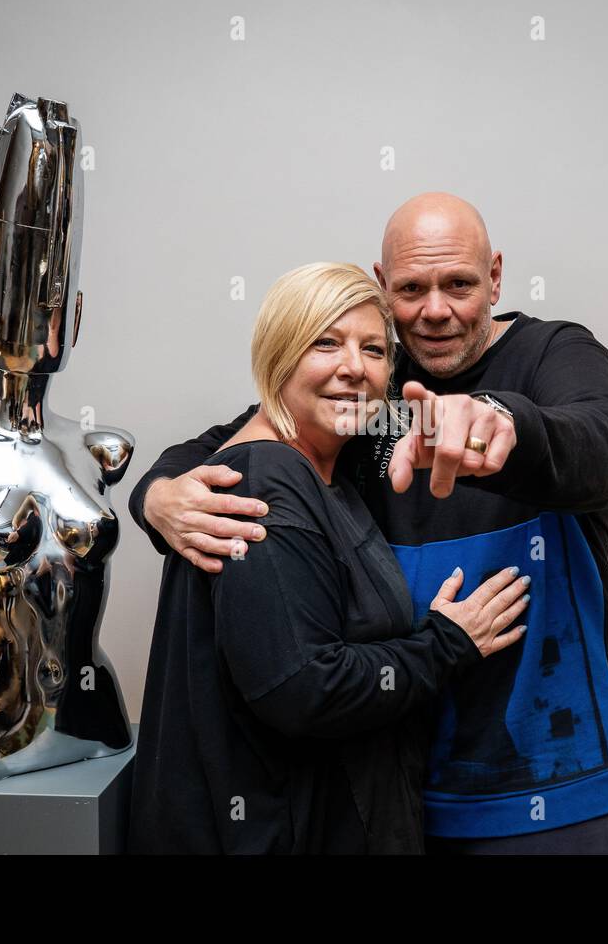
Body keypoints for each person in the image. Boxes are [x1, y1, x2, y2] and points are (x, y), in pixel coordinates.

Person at [132, 194, 608, 854]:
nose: (435, 310)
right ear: (383, 288)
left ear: (495, 276)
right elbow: (244, 441)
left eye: (459, 284)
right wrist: (156, 497)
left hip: (565, 802)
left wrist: (506, 424)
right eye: (411, 289)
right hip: (405, 806)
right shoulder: (368, 379)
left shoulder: (553, 353)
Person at [126, 261, 528, 854]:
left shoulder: (326, 461)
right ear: (279, 355)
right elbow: (304, 689)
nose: (354, 369)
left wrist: (152, 489)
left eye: (373, 349)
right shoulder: (269, 477)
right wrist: (447, 643)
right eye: (326, 344)